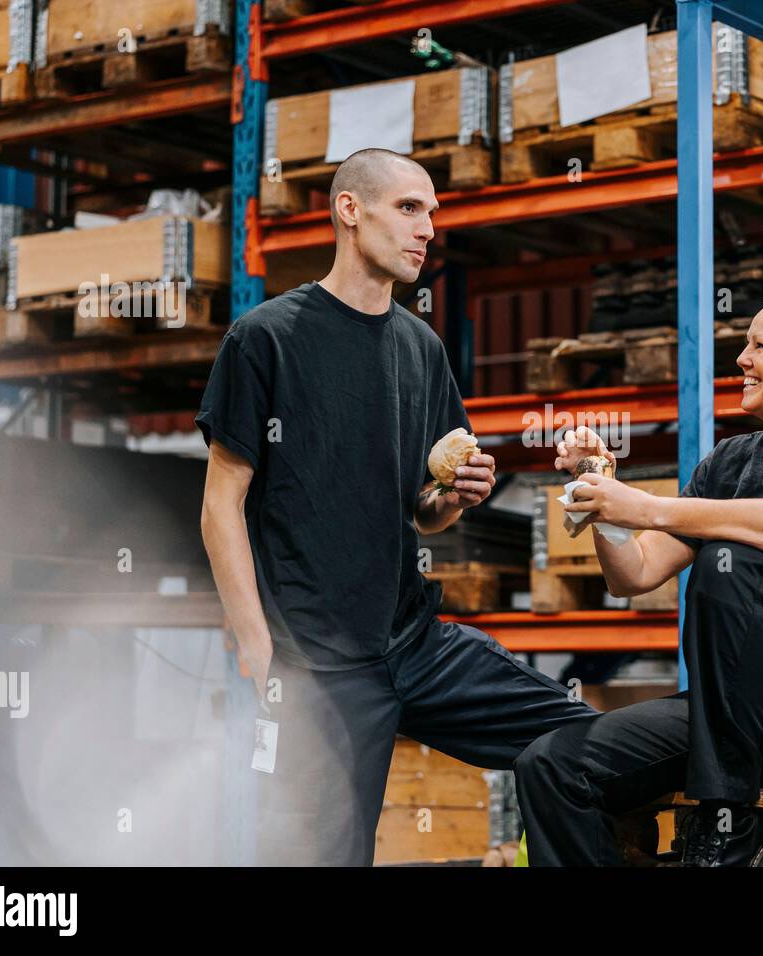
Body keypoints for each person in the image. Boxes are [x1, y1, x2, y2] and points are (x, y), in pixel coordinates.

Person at [196, 148, 596, 866]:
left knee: (583, 743)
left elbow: (422, 511)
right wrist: (256, 646)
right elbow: (220, 505)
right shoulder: (266, 339)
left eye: (433, 213)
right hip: (315, 662)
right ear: (350, 210)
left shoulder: (421, 348)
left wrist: (455, 497)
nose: (428, 230)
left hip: (415, 642)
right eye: (410, 208)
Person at [515, 285, 763, 866]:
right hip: (737, 715)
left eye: (759, 345)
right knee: (551, 765)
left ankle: (727, 823)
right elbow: (635, 575)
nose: (742, 359)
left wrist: (649, 506)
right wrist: (600, 501)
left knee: (733, 558)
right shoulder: (731, 463)